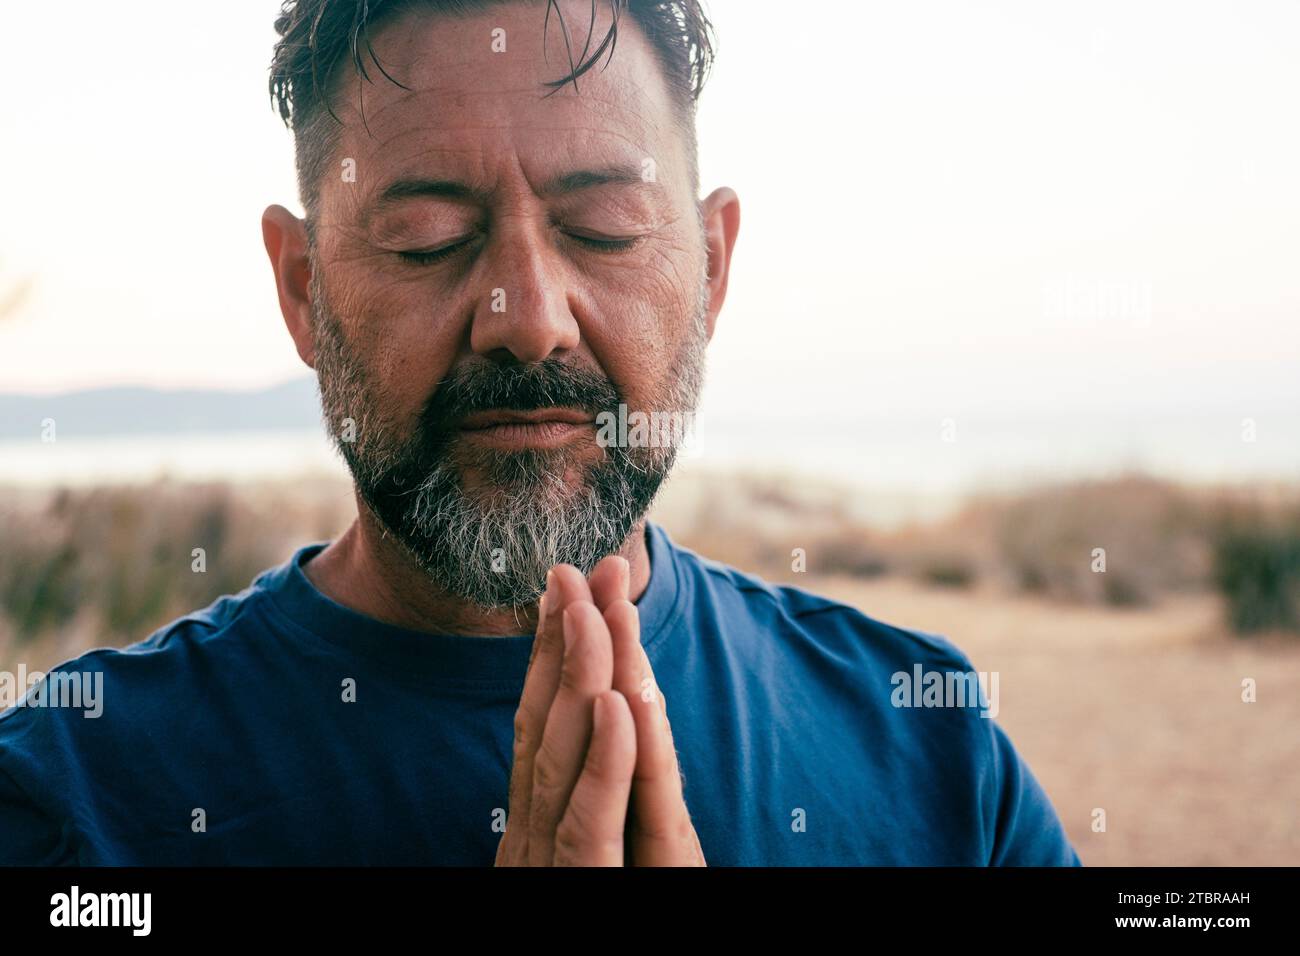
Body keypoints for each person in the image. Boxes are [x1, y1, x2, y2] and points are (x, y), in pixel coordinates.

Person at [0, 0, 1080, 866]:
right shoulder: (65, 799)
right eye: (427, 239)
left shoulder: (932, 746)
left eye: (603, 228)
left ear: (711, 269)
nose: (527, 317)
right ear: (303, 292)